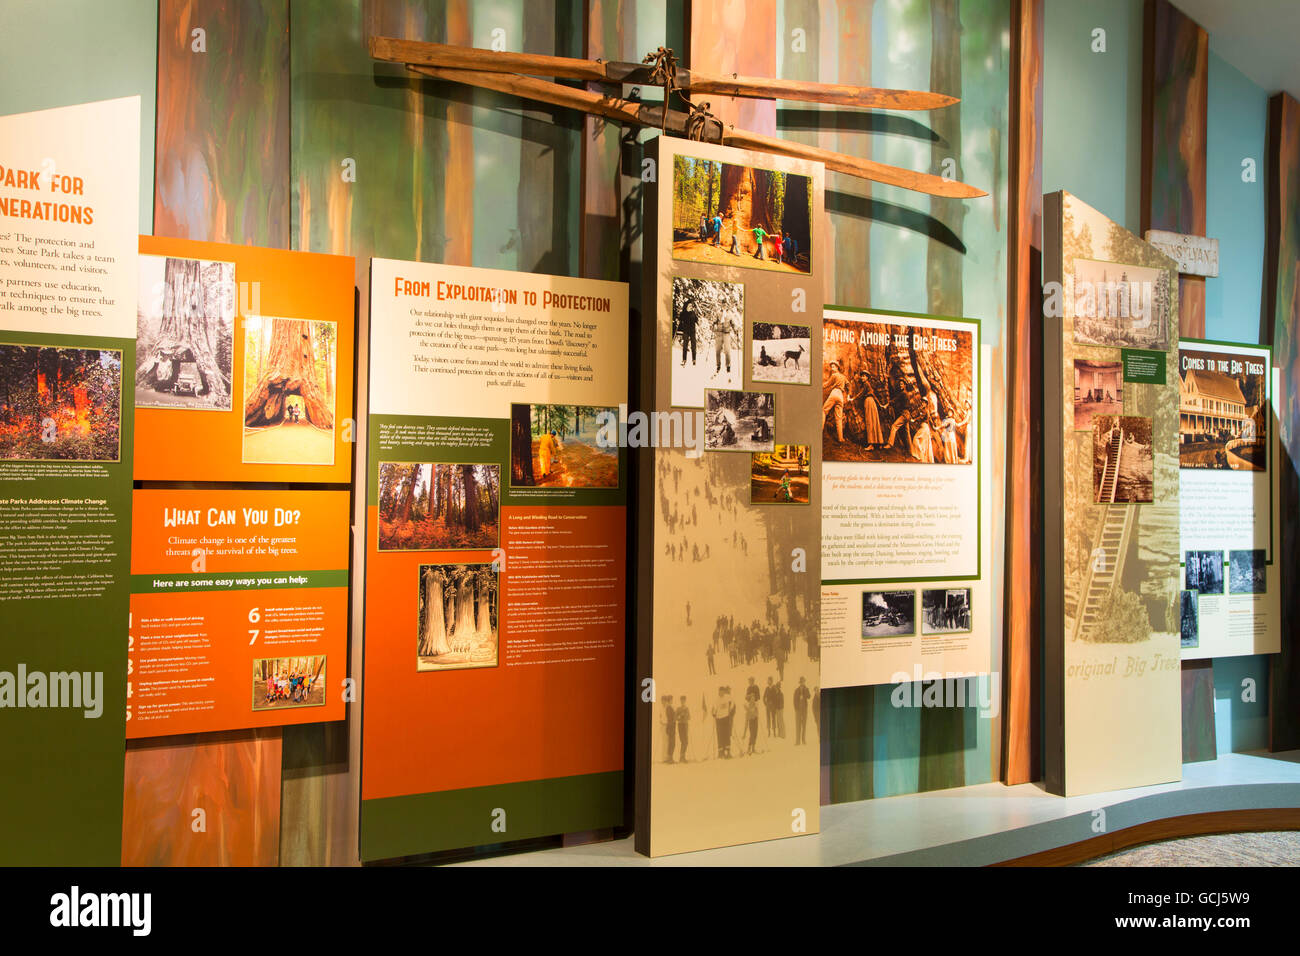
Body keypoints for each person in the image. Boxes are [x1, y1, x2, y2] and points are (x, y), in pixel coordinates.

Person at [822, 361, 850, 442]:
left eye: (833, 367)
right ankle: (840, 438)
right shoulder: (843, 377)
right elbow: (848, 385)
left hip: (834, 393)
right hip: (840, 396)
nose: (832, 368)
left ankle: (819, 431)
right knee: (839, 418)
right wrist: (848, 395)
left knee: (823, 411)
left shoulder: (834, 375)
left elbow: (826, 384)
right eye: (831, 367)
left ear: (837, 367)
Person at [678, 298, 699, 367]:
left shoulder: (693, 313)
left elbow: (696, 320)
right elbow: (680, 321)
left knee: (693, 346)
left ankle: (694, 360)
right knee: (685, 346)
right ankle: (684, 360)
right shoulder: (683, 313)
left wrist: (697, 319)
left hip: (692, 331)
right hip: (686, 331)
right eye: (689, 306)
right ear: (686, 306)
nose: (691, 307)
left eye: (691, 306)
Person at [793, 677, 810, 745]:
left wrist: (804, 694)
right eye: (801, 682)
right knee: (798, 725)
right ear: (799, 683)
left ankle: (803, 740)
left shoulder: (806, 689)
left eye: (803, 682)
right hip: (798, 710)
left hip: (804, 710)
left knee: (804, 725)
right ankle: (797, 741)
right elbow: (794, 701)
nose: (802, 683)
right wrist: (796, 709)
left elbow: (809, 696)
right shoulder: (796, 690)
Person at [661, 695, 677, 763]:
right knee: (671, 743)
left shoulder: (670, 707)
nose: (672, 701)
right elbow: (670, 719)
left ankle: (670, 758)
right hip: (671, 728)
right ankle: (669, 758)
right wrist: (675, 718)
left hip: (671, 728)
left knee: (671, 743)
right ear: (669, 700)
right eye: (671, 699)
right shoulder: (669, 708)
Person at [675, 698, 690, 762]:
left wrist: (685, 716)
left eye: (683, 700)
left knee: (686, 741)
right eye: (681, 700)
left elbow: (689, 717)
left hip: (685, 725)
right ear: (680, 701)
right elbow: (675, 717)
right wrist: (680, 716)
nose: (682, 702)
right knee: (683, 741)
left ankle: (682, 756)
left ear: (685, 701)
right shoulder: (678, 709)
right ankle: (681, 757)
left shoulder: (687, 709)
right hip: (680, 725)